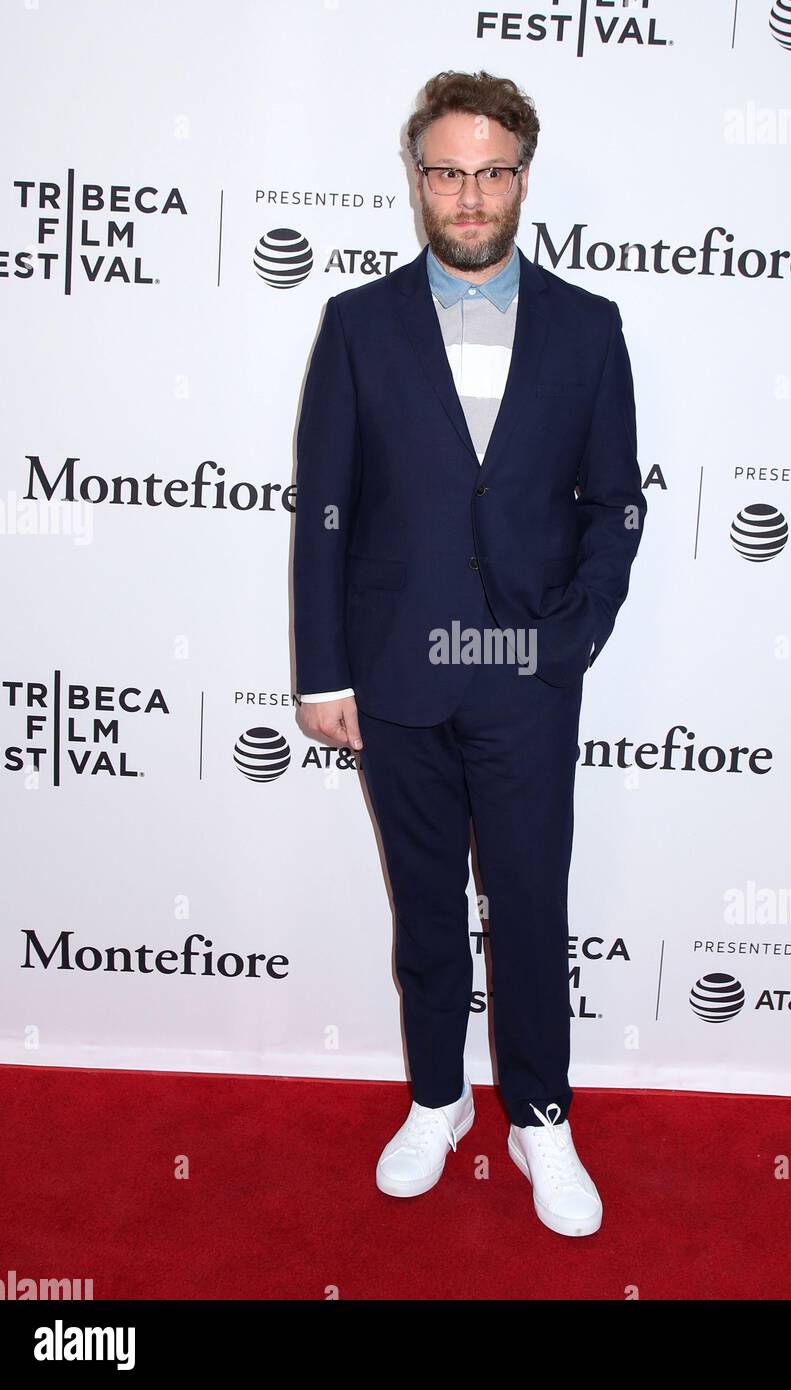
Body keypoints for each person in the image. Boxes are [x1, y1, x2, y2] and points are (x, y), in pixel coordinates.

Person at [292, 69, 645, 1238]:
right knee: (427, 907)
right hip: (395, 675)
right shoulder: (356, 325)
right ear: (417, 178)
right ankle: (437, 1099)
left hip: (527, 677)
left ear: (522, 179)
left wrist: (574, 638)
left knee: (531, 903)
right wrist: (323, 670)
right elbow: (326, 509)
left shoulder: (590, 329)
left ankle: (538, 1113)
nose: (469, 193)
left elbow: (612, 503)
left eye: (491, 170)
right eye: (447, 169)